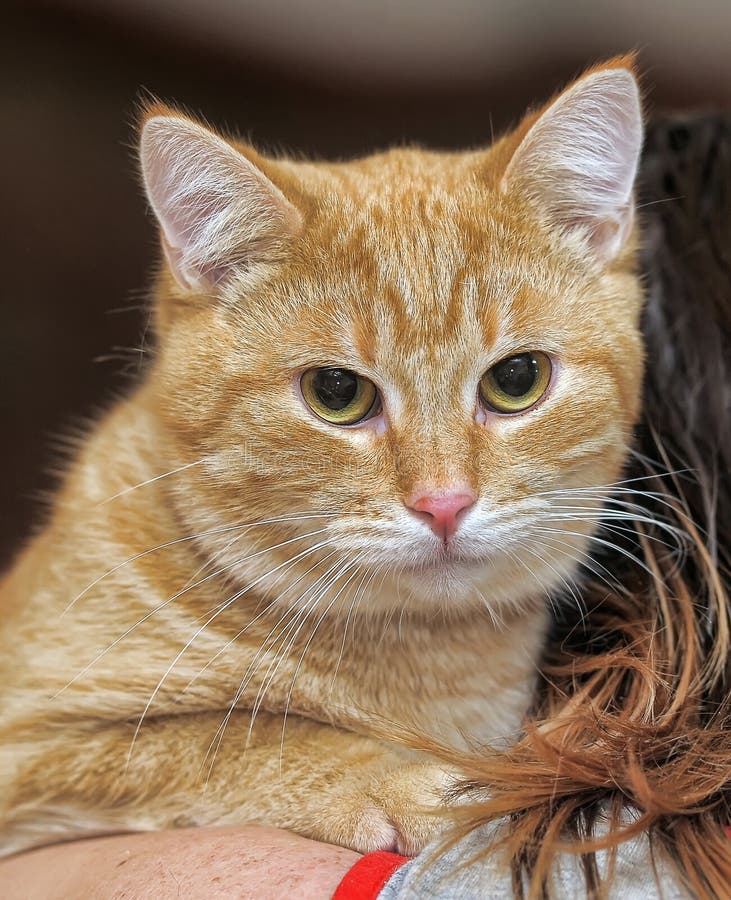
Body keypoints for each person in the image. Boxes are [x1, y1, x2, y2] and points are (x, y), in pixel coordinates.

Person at [1, 114, 729, 900]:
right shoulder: (134, 549)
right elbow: (22, 765)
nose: (443, 492)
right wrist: (306, 776)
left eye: (511, 380)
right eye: (337, 391)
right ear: (214, 268)